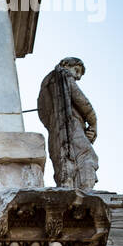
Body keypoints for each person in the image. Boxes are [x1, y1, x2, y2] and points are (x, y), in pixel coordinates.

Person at [37, 57, 98, 189]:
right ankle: (85, 191)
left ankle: (69, 187)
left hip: (55, 133)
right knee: (87, 156)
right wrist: (93, 123)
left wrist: (54, 125)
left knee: (61, 162)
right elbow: (83, 102)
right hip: (73, 127)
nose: (77, 77)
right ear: (65, 64)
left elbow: (42, 113)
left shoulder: (45, 83)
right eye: (76, 70)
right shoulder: (64, 76)